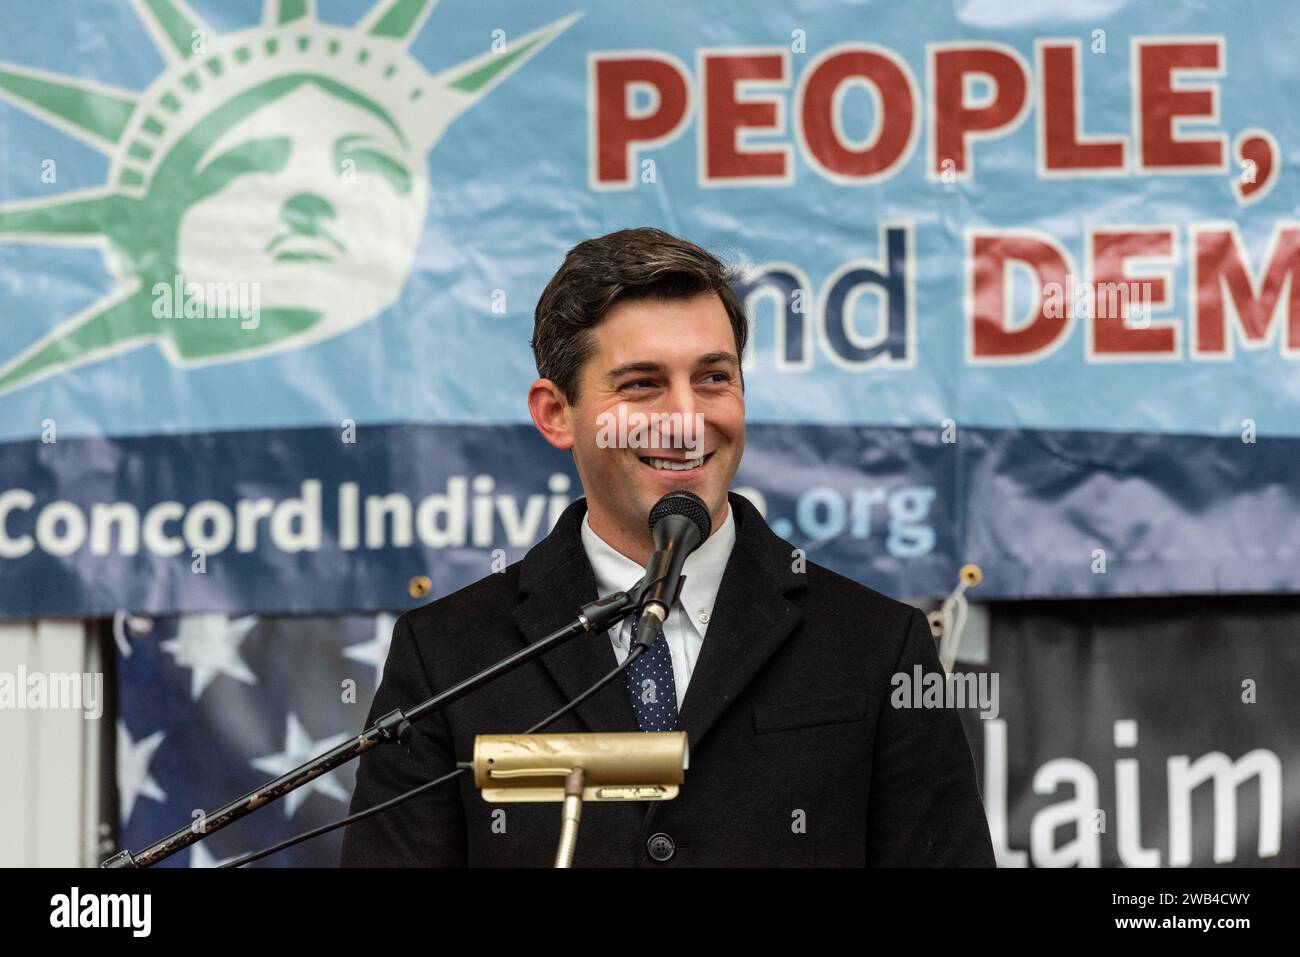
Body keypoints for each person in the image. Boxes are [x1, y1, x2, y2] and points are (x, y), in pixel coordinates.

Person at [339, 227, 995, 866]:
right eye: (642, 384)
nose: (686, 418)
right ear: (555, 413)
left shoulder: (878, 645)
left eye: (713, 378)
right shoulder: (448, 656)